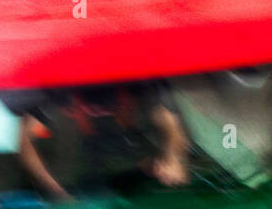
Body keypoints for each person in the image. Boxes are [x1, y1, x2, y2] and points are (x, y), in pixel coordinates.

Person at [18, 82, 190, 202]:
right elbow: (26, 143)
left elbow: (170, 123)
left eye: (106, 109)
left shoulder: (139, 82)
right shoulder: (54, 94)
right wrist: (57, 191)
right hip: (80, 173)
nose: (99, 113)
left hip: (125, 165)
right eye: (94, 110)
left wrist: (173, 156)